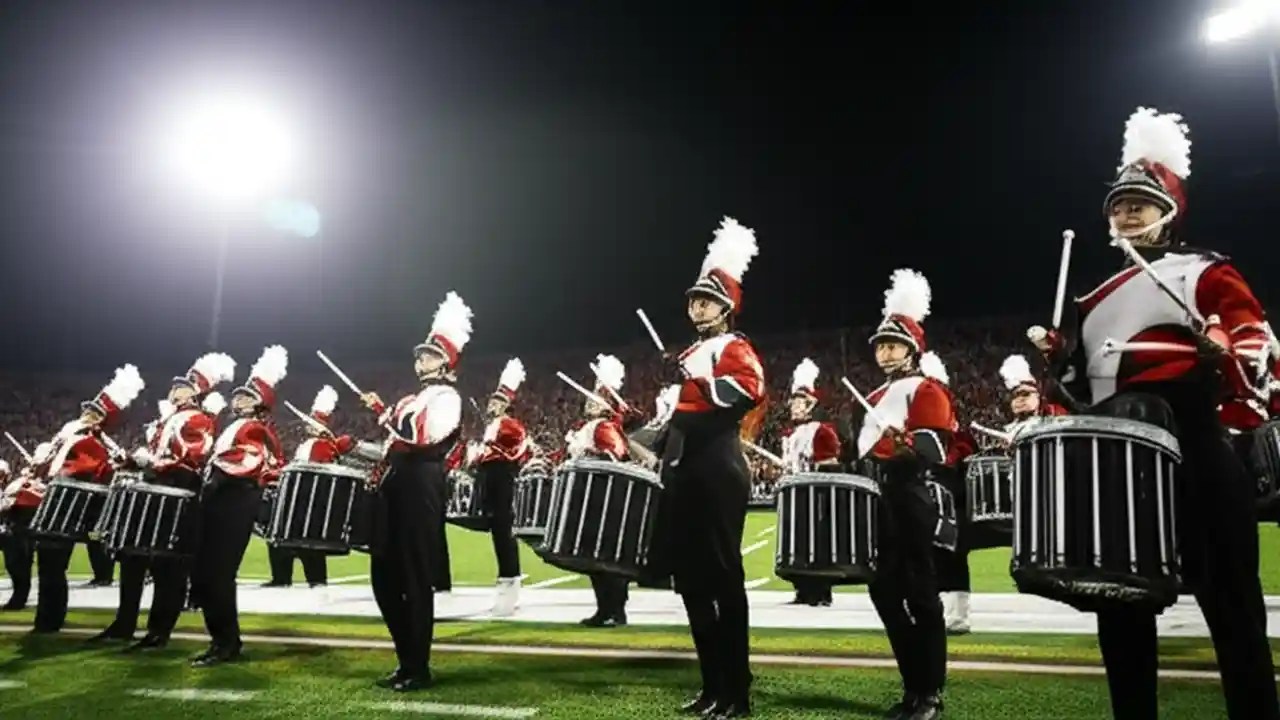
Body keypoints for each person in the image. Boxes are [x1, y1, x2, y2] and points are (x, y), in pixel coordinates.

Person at [1032, 106, 1278, 720]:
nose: (1127, 213)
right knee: (1121, 609)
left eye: (1140, 202)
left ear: (1169, 209)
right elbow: (1079, 392)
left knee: (1232, 605)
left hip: (1193, 435)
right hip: (1121, 456)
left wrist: (1222, 350)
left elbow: (1257, 343)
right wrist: (1058, 362)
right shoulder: (1089, 300)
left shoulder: (1205, 270)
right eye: (1118, 205)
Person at [659, 217, 764, 719]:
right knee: (692, 581)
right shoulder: (691, 354)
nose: (698, 307)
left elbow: (746, 392)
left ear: (726, 308)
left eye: (707, 301)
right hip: (684, 467)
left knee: (723, 577)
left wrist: (698, 381)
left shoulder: (733, 347)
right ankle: (710, 686)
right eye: (694, 300)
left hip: (717, 465)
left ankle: (736, 691)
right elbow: (674, 421)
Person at [853, 268, 954, 720]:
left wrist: (905, 440)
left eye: (892, 344)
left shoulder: (927, 389)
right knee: (885, 595)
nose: (885, 350)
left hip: (909, 496)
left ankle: (930, 692)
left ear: (912, 349)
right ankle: (912, 687)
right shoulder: (872, 394)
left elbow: (934, 449)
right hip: (878, 498)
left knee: (920, 594)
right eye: (880, 344)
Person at [359, 291, 470, 692]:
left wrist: (383, 413)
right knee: (383, 578)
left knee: (414, 578)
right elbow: (395, 442)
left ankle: (418, 666)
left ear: (446, 361)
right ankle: (405, 659)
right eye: (419, 355)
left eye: (428, 355)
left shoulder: (448, 397)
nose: (419, 361)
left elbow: (423, 437)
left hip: (422, 484)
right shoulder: (411, 398)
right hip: (395, 485)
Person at [92, 354, 234, 648]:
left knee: (167, 565)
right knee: (132, 558)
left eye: (183, 386)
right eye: (176, 385)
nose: (175, 388)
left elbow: (192, 456)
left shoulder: (199, 419)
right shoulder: (167, 420)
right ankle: (123, 623)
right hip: (155, 487)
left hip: (177, 491)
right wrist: (132, 460)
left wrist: (154, 463)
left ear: (196, 392)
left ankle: (159, 630)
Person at [190, 346, 287, 667]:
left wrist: (217, 473)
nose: (238, 399)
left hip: (236, 498)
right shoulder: (231, 425)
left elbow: (248, 459)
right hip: (221, 498)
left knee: (217, 573)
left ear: (260, 404)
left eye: (247, 397)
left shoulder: (255, 427)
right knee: (206, 573)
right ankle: (220, 639)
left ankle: (227, 642)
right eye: (239, 395)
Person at [31, 364, 144, 634]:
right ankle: (48, 617)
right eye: (87, 410)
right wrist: (42, 459)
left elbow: (83, 470)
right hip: (58, 497)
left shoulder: (94, 442)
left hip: (69, 502)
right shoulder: (71, 434)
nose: (86, 414)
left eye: (93, 412)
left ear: (100, 420)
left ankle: (49, 619)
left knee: (53, 560)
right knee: (48, 562)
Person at [563, 353, 633, 627]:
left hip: (603, 499)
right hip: (591, 497)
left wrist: (589, 457)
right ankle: (605, 609)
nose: (588, 401)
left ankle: (614, 610)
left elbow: (613, 457)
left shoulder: (604, 426)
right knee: (595, 560)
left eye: (595, 398)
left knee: (606, 559)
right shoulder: (589, 427)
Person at [266, 385, 353, 588]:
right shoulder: (310, 443)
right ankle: (303, 580)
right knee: (293, 541)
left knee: (299, 541)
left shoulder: (321, 444)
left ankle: (290, 579)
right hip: (300, 496)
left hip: (306, 498)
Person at [778, 357, 841, 607]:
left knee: (818, 542)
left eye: (799, 402)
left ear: (810, 405)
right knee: (797, 542)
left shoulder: (822, 430)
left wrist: (808, 472)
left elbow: (831, 464)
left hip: (815, 496)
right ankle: (802, 589)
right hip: (794, 495)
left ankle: (821, 591)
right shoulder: (789, 435)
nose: (794, 406)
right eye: (792, 402)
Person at [474, 358, 531, 617]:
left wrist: (492, 446)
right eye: (491, 401)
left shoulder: (508, 424)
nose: (491, 405)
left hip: (502, 477)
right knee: (497, 532)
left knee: (504, 532)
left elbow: (519, 439)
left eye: (497, 401)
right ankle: (506, 582)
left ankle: (510, 582)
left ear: (506, 404)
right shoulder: (492, 426)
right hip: (489, 477)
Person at [0, 457, 41, 611]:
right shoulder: (13, 487)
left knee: (19, 567)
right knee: (16, 566)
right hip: (11, 532)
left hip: (19, 532)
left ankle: (18, 600)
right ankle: (18, 599)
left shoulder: (20, 486)